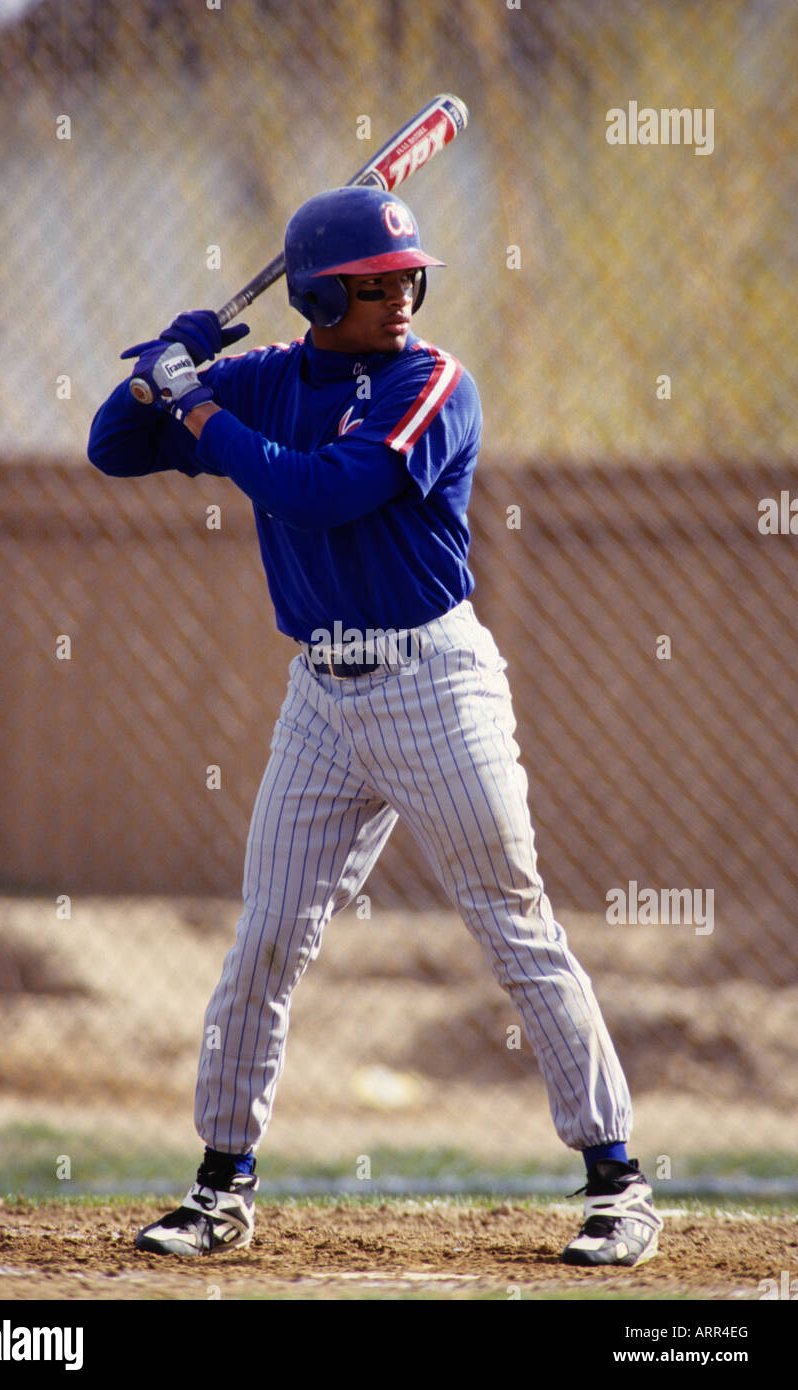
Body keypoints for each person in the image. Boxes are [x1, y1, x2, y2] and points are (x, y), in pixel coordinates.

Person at [87, 185, 662, 1268]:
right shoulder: (262, 379)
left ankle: (617, 1183)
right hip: (319, 694)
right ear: (314, 294)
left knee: (514, 927)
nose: (401, 295)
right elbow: (113, 447)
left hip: (433, 683)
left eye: (408, 278)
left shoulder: (431, 382)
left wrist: (198, 411)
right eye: (373, 284)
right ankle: (221, 1187)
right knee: (265, 938)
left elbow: (318, 493)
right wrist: (169, 357)